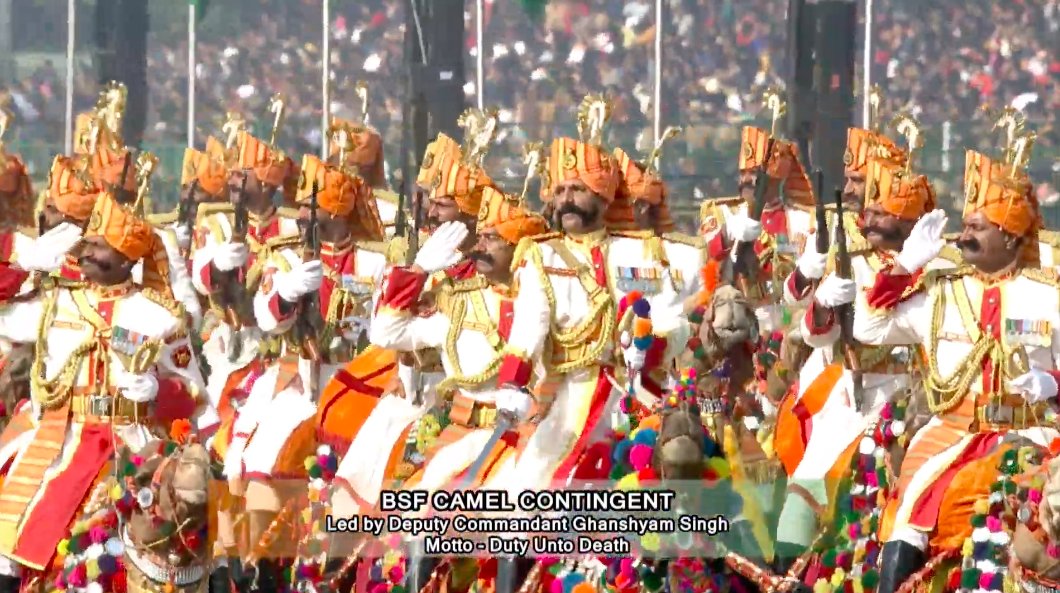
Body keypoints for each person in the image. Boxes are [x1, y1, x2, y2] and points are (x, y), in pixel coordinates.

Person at [820, 146, 1060, 593]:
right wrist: (906, 265)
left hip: (1037, 429)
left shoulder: (1048, 294)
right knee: (910, 514)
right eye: (964, 225)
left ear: (1008, 236)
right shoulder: (940, 292)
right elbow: (870, 327)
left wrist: (1051, 384)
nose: (962, 235)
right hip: (953, 429)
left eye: (975, 227)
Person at [491, 101, 702, 498]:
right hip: (567, 393)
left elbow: (674, 320)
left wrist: (649, 345)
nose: (566, 199)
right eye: (560, 190)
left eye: (577, 190)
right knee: (528, 493)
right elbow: (528, 330)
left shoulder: (642, 252)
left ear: (604, 198)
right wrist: (513, 385)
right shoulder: (541, 254)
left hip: (637, 390)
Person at [0, 192, 205, 591]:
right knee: (6, 544)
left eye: (98, 244)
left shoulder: (158, 315)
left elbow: (194, 394)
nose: (86, 249)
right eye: (88, 241)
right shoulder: (54, 302)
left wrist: (156, 392)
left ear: (127, 259)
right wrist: (22, 261)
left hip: (132, 441)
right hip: (58, 439)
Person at [772, 149, 944, 569]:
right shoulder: (855, 260)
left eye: (882, 214)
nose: (869, 221)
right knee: (800, 504)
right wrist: (825, 304)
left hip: (917, 398)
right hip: (853, 395)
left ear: (908, 223)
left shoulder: (942, 270)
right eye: (870, 212)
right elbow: (816, 334)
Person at [223, 150, 388, 586]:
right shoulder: (286, 258)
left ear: (334, 210)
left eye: (308, 208)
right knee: (258, 462)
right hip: (300, 384)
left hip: (358, 384)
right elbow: (266, 318)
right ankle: (255, 566)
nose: (298, 216)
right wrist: (288, 292)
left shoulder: (375, 262)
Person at [699, 125, 816, 335]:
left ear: (775, 176)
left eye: (753, 173)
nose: (745, 180)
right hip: (738, 323)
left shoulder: (804, 220)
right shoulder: (725, 216)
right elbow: (708, 255)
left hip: (790, 325)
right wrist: (730, 233)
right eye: (742, 173)